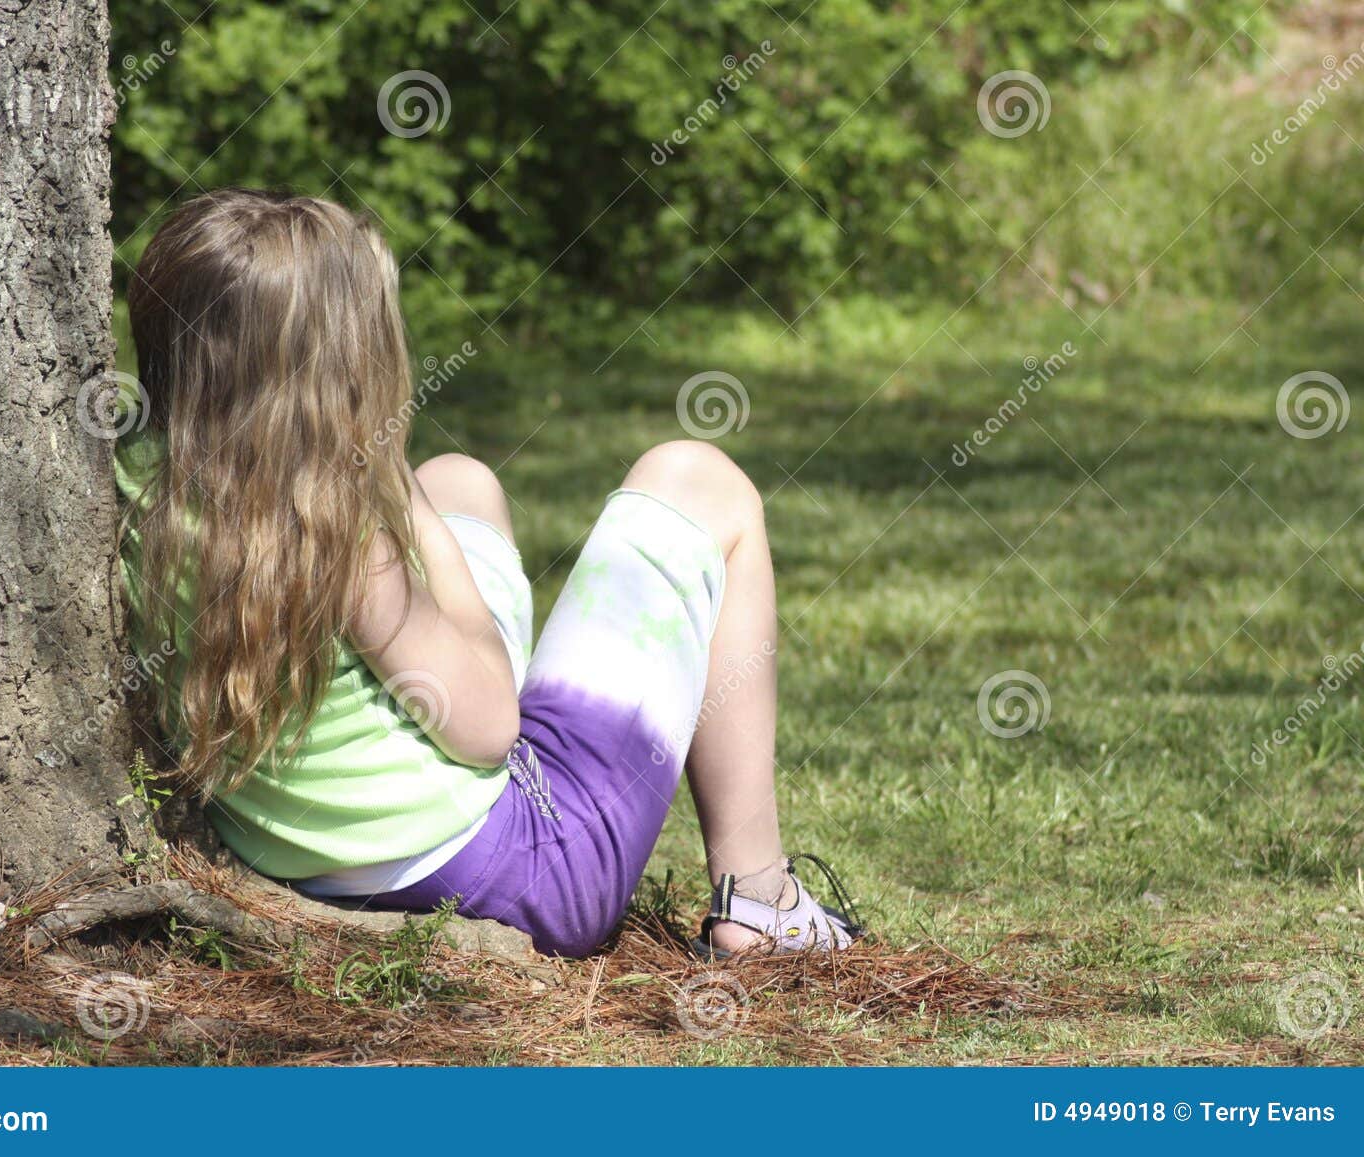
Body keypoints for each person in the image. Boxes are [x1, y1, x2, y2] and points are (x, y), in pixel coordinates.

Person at [115, 188, 862, 959]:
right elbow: (489, 730)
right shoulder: (336, 535)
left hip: (320, 863)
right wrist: (405, 503)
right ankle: (760, 896)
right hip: (522, 873)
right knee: (699, 478)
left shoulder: (136, 494)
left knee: (462, 478)